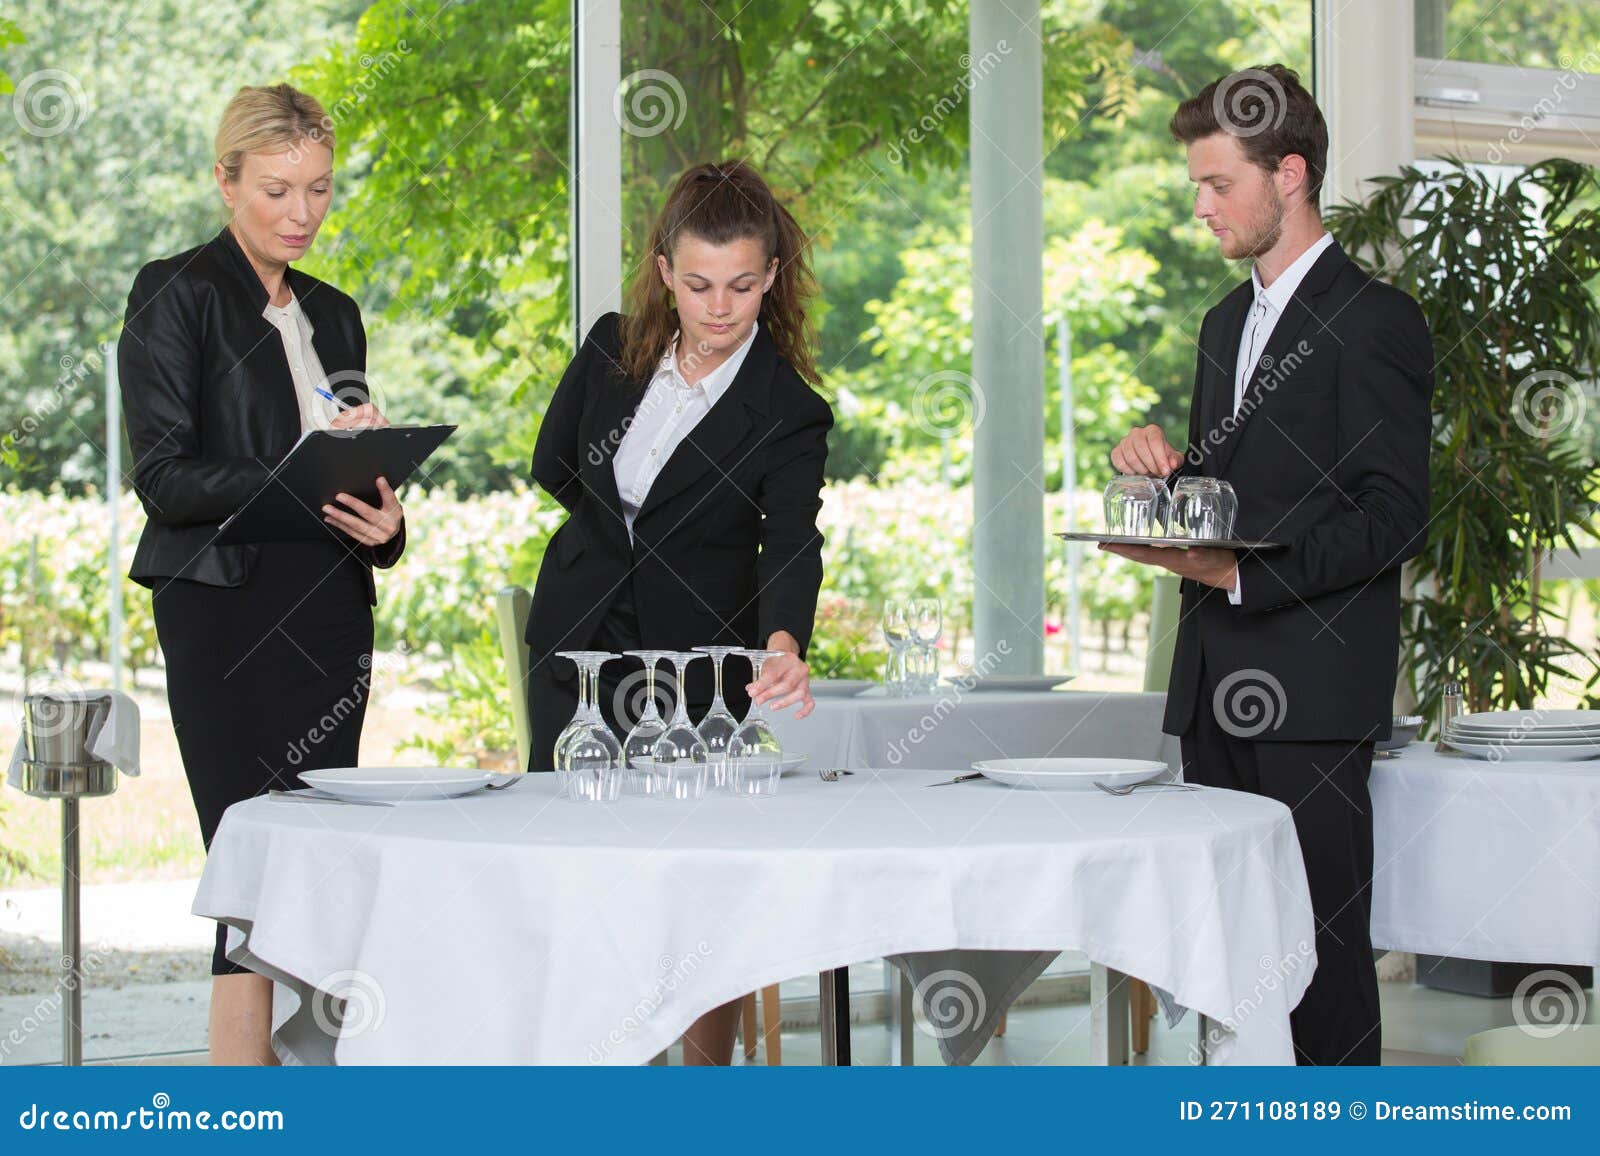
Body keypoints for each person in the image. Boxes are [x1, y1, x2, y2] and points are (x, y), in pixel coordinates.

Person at [1105, 64, 1433, 1065]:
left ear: (1287, 174)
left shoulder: (1375, 318)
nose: (1199, 206)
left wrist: (1242, 576)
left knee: (1320, 966)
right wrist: (1159, 472)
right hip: (1214, 689)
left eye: (1216, 184)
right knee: (1234, 962)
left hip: (1312, 700)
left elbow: (1392, 517)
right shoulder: (1220, 324)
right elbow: (1240, 497)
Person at [119, 84, 406, 1065]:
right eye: (277, 189)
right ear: (225, 180)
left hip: (328, 618)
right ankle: (238, 1102)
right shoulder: (175, 293)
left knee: (320, 868)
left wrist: (385, 519)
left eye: (319, 190)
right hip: (225, 613)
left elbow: (350, 476)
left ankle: (312, 1093)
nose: (302, 213)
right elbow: (162, 477)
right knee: (251, 873)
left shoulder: (337, 312)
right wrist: (296, 468)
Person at [525, 159, 832, 1063]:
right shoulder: (611, 349)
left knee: (699, 888)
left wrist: (781, 639)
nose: (720, 307)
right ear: (664, 270)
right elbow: (555, 464)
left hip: (696, 667)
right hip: (581, 647)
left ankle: (701, 1087)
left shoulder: (788, 410)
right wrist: (608, 548)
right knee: (580, 872)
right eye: (698, 284)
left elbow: (793, 539)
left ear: (772, 275)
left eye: (741, 284)